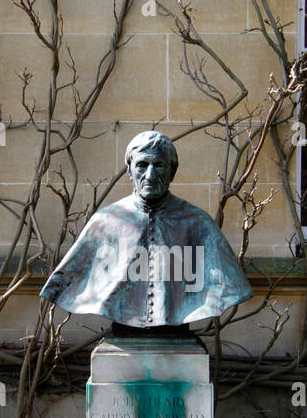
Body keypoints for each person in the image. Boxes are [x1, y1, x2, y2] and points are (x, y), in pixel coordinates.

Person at [40, 130, 253, 328]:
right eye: (142, 165)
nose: (150, 175)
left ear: (172, 171)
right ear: (129, 170)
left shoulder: (198, 223)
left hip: (177, 337)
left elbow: (229, 286)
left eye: (159, 165)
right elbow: (66, 282)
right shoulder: (104, 222)